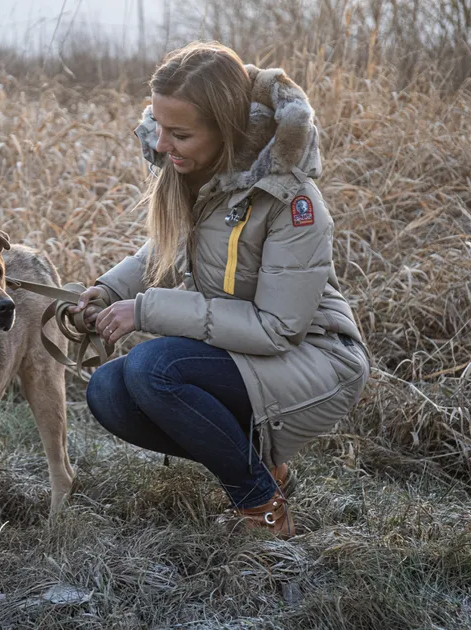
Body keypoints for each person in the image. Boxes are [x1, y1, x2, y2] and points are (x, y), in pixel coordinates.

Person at [72, 41, 370, 537]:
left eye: (180, 133)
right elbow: (162, 254)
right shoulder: (196, 176)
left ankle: (261, 508)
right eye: (159, 127)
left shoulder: (290, 201)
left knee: (153, 368)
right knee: (108, 390)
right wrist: (106, 291)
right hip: (241, 350)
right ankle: (260, 468)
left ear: (227, 129)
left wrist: (144, 311)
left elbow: (277, 328)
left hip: (316, 357)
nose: (162, 144)